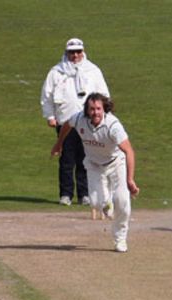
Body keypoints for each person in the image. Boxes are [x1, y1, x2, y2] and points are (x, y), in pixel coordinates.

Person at [52, 93, 139, 253]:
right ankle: (107, 202)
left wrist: (130, 179)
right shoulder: (79, 119)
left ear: (104, 109)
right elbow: (66, 126)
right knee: (96, 203)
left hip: (116, 163)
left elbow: (129, 151)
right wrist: (59, 144)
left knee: (123, 203)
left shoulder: (113, 126)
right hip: (94, 165)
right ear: (87, 110)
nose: (95, 113)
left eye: (98, 109)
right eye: (92, 109)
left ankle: (120, 239)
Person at [40, 37, 110, 206]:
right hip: (65, 121)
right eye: (72, 52)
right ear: (67, 53)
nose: (75, 55)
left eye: (78, 52)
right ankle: (66, 194)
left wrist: (102, 116)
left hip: (88, 122)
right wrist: (50, 116)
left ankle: (84, 194)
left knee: (85, 159)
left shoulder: (93, 70)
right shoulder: (56, 72)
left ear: (83, 52)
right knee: (67, 159)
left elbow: (104, 95)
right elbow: (47, 96)